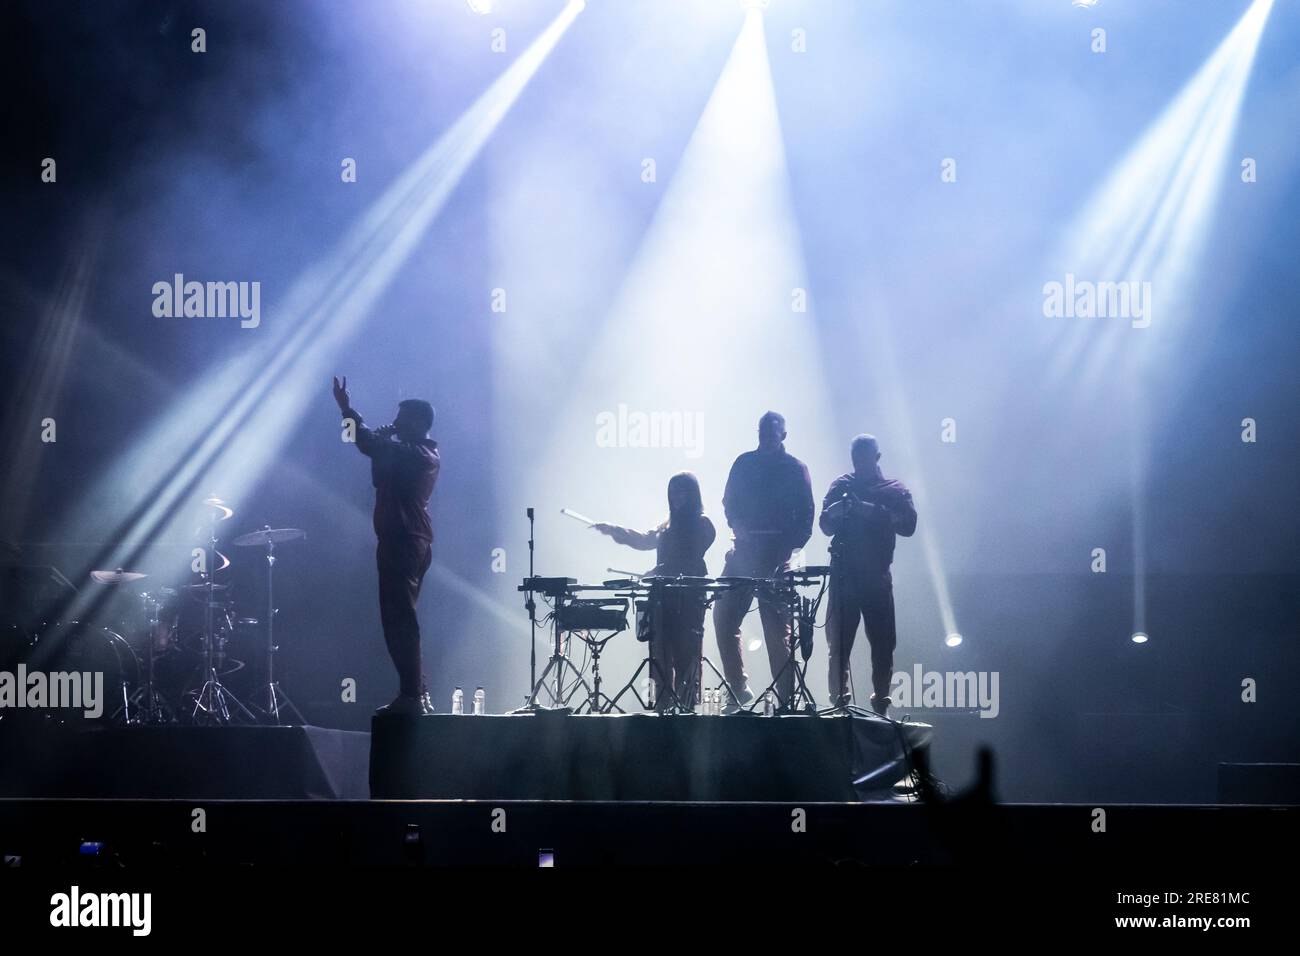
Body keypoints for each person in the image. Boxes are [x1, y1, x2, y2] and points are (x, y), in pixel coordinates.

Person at [332, 376, 440, 716]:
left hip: (406, 541)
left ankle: (412, 696)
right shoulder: (410, 451)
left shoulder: (422, 454)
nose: (396, 422)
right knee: (398, 618)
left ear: (421, 423)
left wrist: (347, 408)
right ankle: (416, 692)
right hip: (403, 540)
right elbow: (366, 443)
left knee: (400, 619)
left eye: (402, 417)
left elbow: (366, 440)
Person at [711, 411, 814, 711]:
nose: (766, 436)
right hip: (743, 552)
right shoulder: (744, 463)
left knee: (777, 629)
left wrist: (787, 545)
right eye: (762, 431)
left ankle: (785, 698)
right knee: (723, 615)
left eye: (772, 431)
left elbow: (806, 515)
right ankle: (738, 686)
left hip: (776, 557)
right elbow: (729, 501)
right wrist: (737, 524)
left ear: (783, 434)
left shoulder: (796, 469)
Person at [593, 472, 715, 711]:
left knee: (687, 653)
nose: (677, 497)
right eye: (673, 492)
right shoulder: (667, 526)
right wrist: (615, 530)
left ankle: (687, 707)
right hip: (662, 598)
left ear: (693, 494)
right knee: (660, 653)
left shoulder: (703, 524)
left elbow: (688, 555)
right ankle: (662, 707)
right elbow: (644, 539)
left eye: (682, 492)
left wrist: (657, 571)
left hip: (689, 598)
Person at [818, 434, 917, 715]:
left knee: (883, 644)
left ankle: (881, 704)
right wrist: (837, 511)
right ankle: (839, 702)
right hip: (844, 577)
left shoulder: (893, 489)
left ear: (877, 457)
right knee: (838, 644)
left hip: (876, 577)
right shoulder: (841, 486)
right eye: (855, 458)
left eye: (864, 457)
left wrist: (870, 511)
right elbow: (824, 525)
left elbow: (909, 524)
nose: (860, 463)